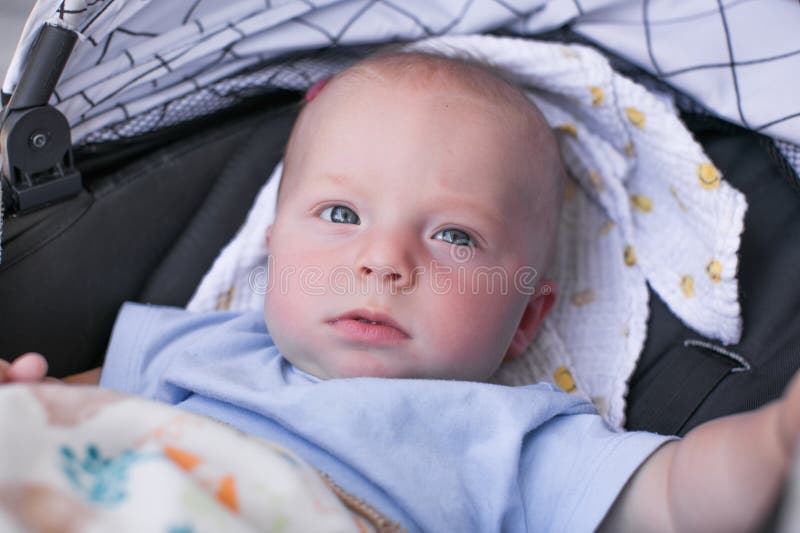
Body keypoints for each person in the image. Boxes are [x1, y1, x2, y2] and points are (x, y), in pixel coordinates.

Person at [2, 50, 799, 532]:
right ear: (274, 253)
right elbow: (68, 413)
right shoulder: (194, 346)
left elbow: (675, 501)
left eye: (454, 236)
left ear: (526, 318)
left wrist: (772, 443)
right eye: (341, 214)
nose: (384, 260)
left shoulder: (514, 439)